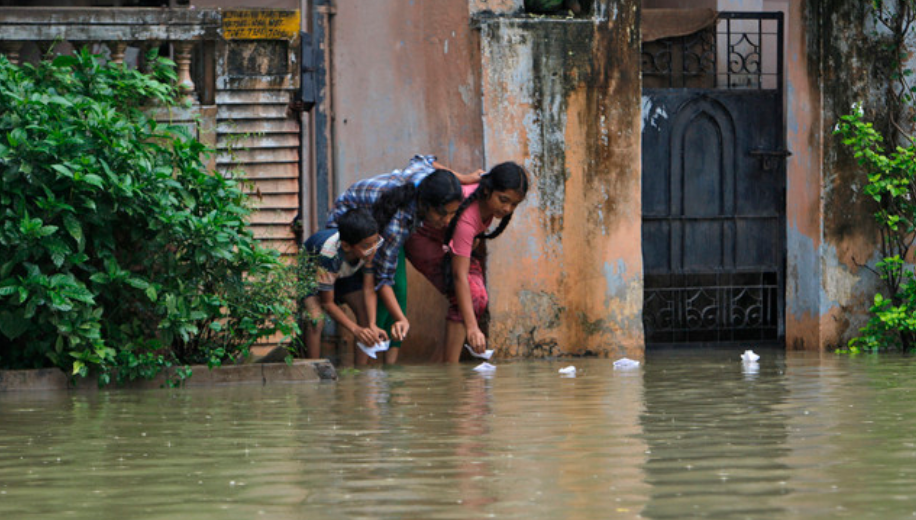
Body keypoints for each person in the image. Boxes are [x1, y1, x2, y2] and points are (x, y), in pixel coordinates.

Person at [326, 155, 480, 363]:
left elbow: (424, 159)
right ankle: (362, 370)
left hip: (377, 224)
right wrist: (401, 319)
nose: (447, 221)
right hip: (347, 229)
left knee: (399, 289)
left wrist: (464, 177)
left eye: (452, 215)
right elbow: (383, 279)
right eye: (443, 214)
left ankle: (389, 364)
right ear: (426, 205)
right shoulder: (397, 224)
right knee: (378, 300)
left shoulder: (425, 179)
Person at [405, 161, 529, 363]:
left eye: (514, 204)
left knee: (478, 297)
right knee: (470, 295)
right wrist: (472, 328)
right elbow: (458, 276)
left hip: (447, 239)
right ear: (487, 190)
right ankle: (450, 370)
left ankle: (440, 367)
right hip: (423, 238)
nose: (507, 208)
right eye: (503, 200)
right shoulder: (467, 218)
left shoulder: (484, 205)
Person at [301, 207, 387, 365]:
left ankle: (360, 372)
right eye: (367, 245)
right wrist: (355, 329)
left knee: (365, 315)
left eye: (376, 242)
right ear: (347, 246)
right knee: (316, 320)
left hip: (343, 275)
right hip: (311, 275)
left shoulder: (370, 249)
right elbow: (327, 302)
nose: (374, 248)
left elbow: (368, 289)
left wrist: (372, 324)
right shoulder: (329, 255)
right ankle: (314, 368)